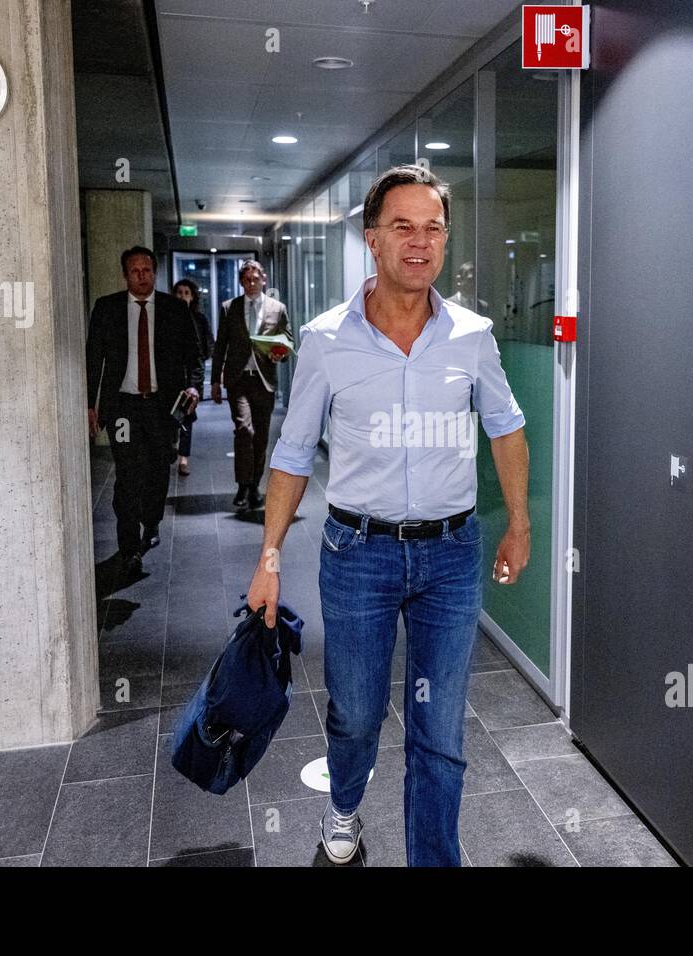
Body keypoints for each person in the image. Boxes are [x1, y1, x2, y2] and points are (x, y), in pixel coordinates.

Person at [248, 165, 531, 866]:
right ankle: (343, 807)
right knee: (355, 712)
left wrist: (519, 524)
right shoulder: (324, 339)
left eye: (432, 227)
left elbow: (506, 427)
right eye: (402, 226)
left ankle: (435, 857)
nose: (419, 242)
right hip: (358, 555)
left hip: (450, 557)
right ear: (372, 239)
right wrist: (269, 559)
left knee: (440, 729)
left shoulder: (471, 336)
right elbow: (289, 451)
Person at [86, 246, 204, 580]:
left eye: (147, 270)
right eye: (135, 271)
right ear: (125, 275)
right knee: (127, 472)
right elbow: (93, 359)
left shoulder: (173, 310)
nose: (142, 276)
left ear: (154, 272)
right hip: (123, 405)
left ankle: (151, 520)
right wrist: (90, 405)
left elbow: (194, 356)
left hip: (161, 406)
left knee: (156, 470)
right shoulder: (107, 309)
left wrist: (194, 386)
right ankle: (128, 549)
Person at [210, 260, 290, 510]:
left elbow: (287, 339)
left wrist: (281, 353)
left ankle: (255, 485)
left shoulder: (277, 308)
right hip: (238, 379)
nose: (252, 283)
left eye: (255, 278)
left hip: (264, 380)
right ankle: (243, 486)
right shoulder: (229, 308)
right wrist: (215, 380)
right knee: (245, 431)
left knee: (262, 436)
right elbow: (220, 345)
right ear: (241, 282)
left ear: (263, 279)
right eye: (246, 279)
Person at [173, 277, 213, 477]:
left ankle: (183, 458)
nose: (182, 296)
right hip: (171, 376)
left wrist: (196, 382)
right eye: (179, 292)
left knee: (186, 416)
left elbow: (207, 347)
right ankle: (173, 449)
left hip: (191, 377)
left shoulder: (199, 319)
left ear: (193, 297)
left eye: (186, 293)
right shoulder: (166, 317)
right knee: (172, 416)